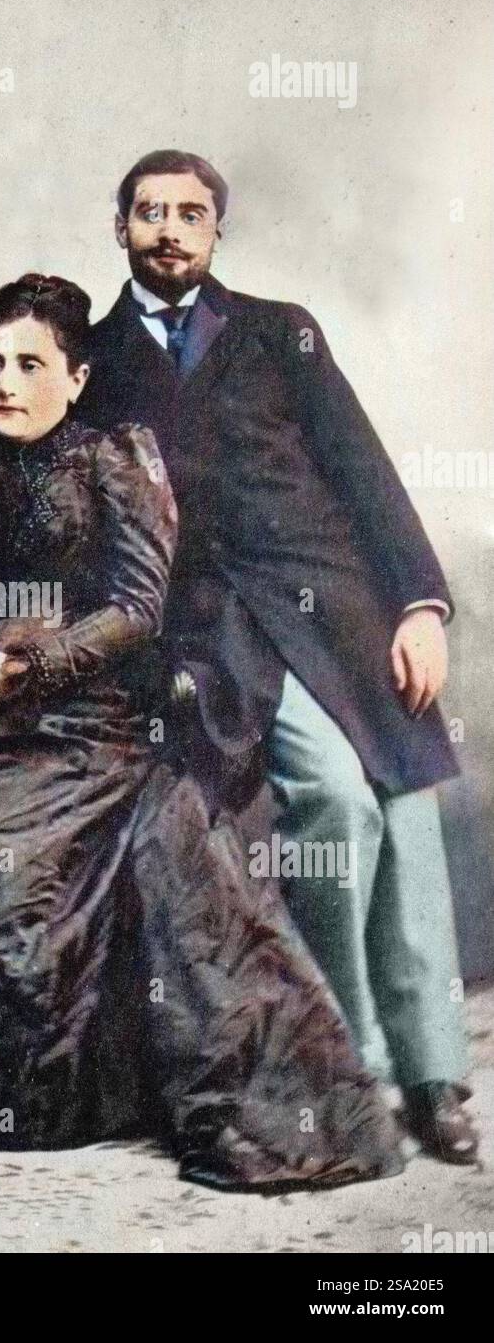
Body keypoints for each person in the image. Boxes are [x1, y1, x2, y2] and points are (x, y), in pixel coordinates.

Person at [0, 273, 403, 1192]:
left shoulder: (116, 461)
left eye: (30, 365)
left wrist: (21, 666)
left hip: (89, 724)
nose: (5, 384)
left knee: (5, 861)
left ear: (78, 378)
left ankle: (62, 1095)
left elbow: (135, 610)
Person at [78, 149, 477, 1165]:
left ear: (219, 232)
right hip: (218, 633)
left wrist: (419, 604)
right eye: (150, 213)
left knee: (406, 802)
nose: (170, 229)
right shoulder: (92, 353)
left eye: (191, 214)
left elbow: (362, 466)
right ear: (119, 225)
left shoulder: (280, 330)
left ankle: (439, 1079)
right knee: (338, 806)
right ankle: (360, 1063)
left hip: (342, 605)